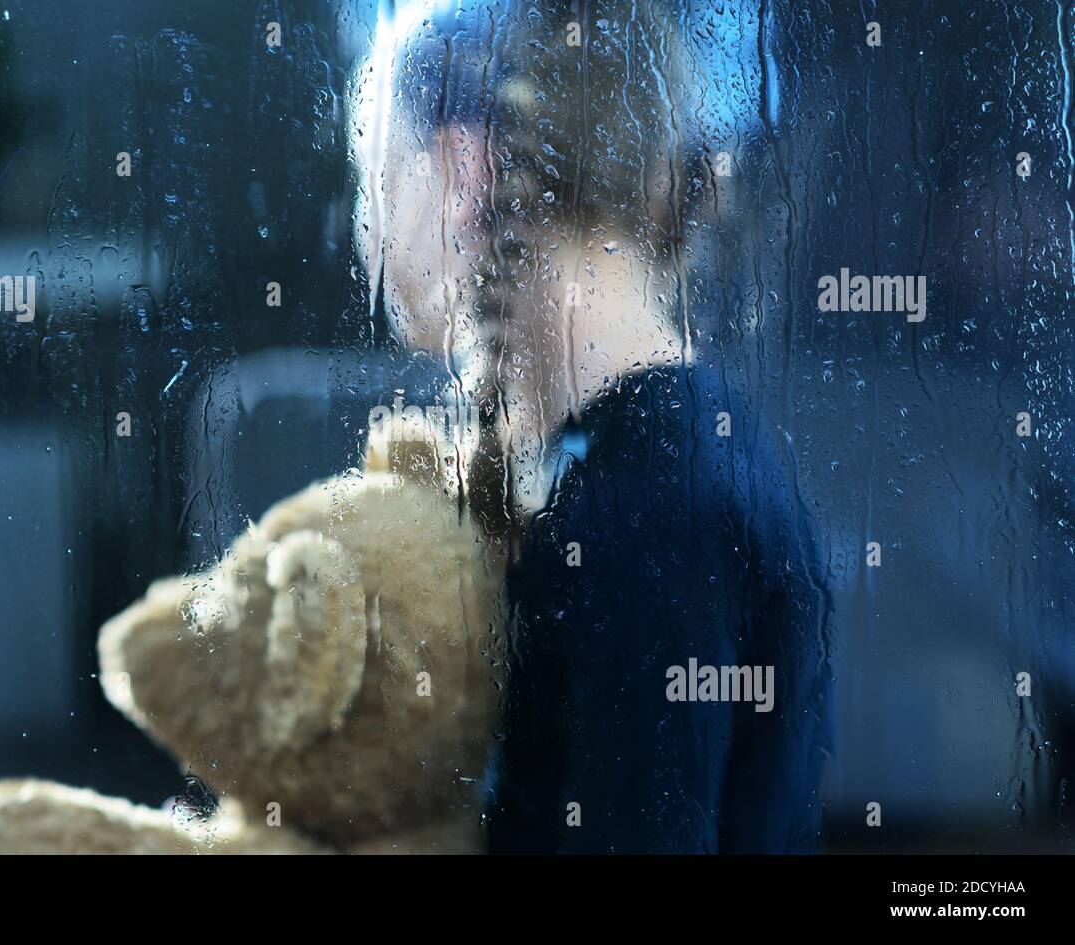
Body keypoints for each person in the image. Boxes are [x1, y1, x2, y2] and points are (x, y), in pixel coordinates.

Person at [349, 0, 832, 852]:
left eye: (376, 180)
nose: (364, 230)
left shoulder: (650, 512)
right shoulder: (647, 465)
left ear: (468, 171)